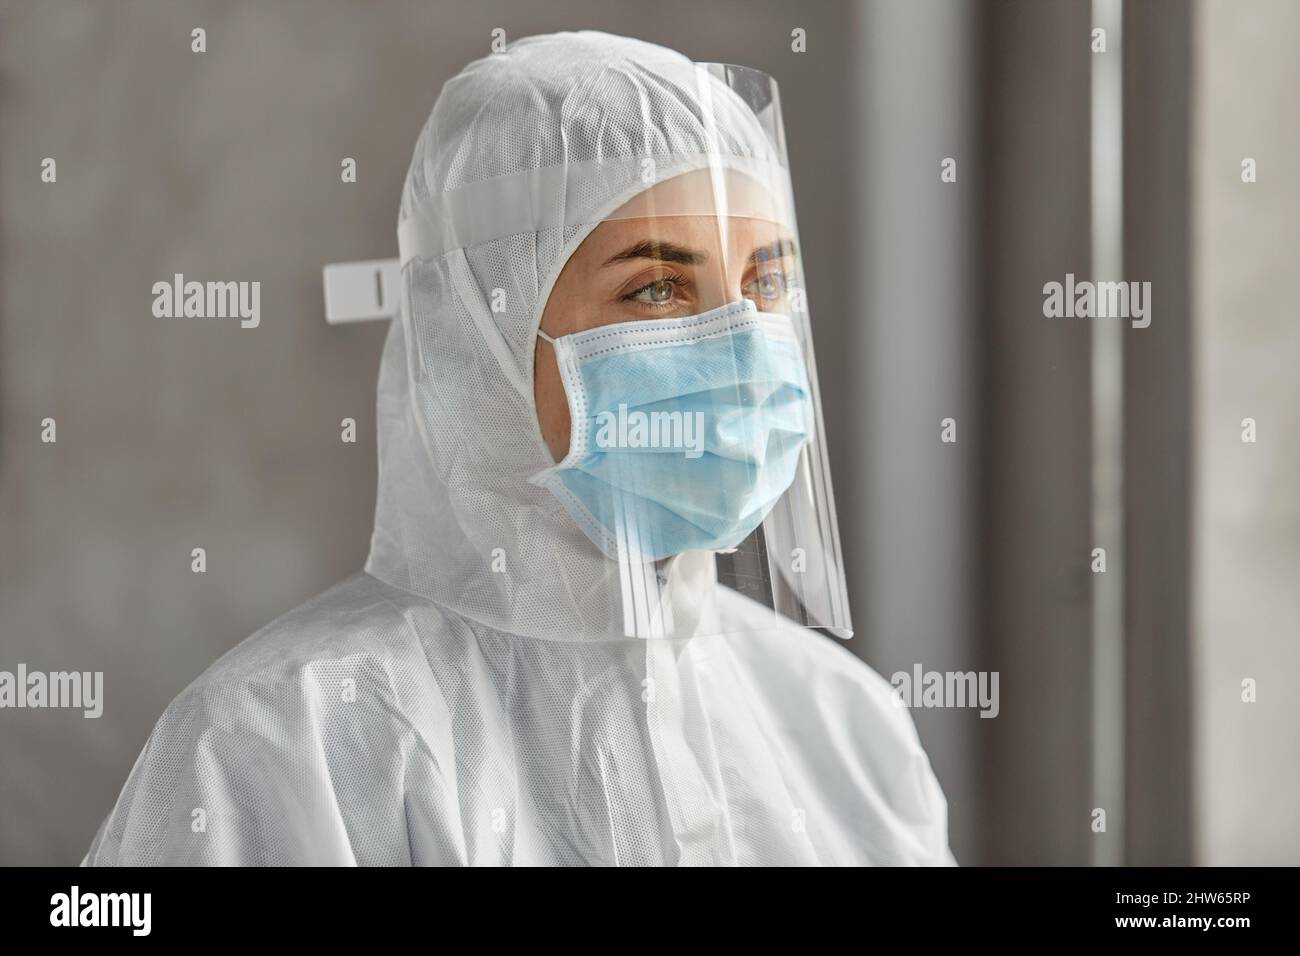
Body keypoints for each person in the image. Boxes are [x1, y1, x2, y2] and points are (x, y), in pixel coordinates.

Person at [82, 30, 955, 866]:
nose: (743, 340)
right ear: (479, 336)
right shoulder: (287, 742)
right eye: (657, 287)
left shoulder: (844, 727)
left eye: (766, 281)